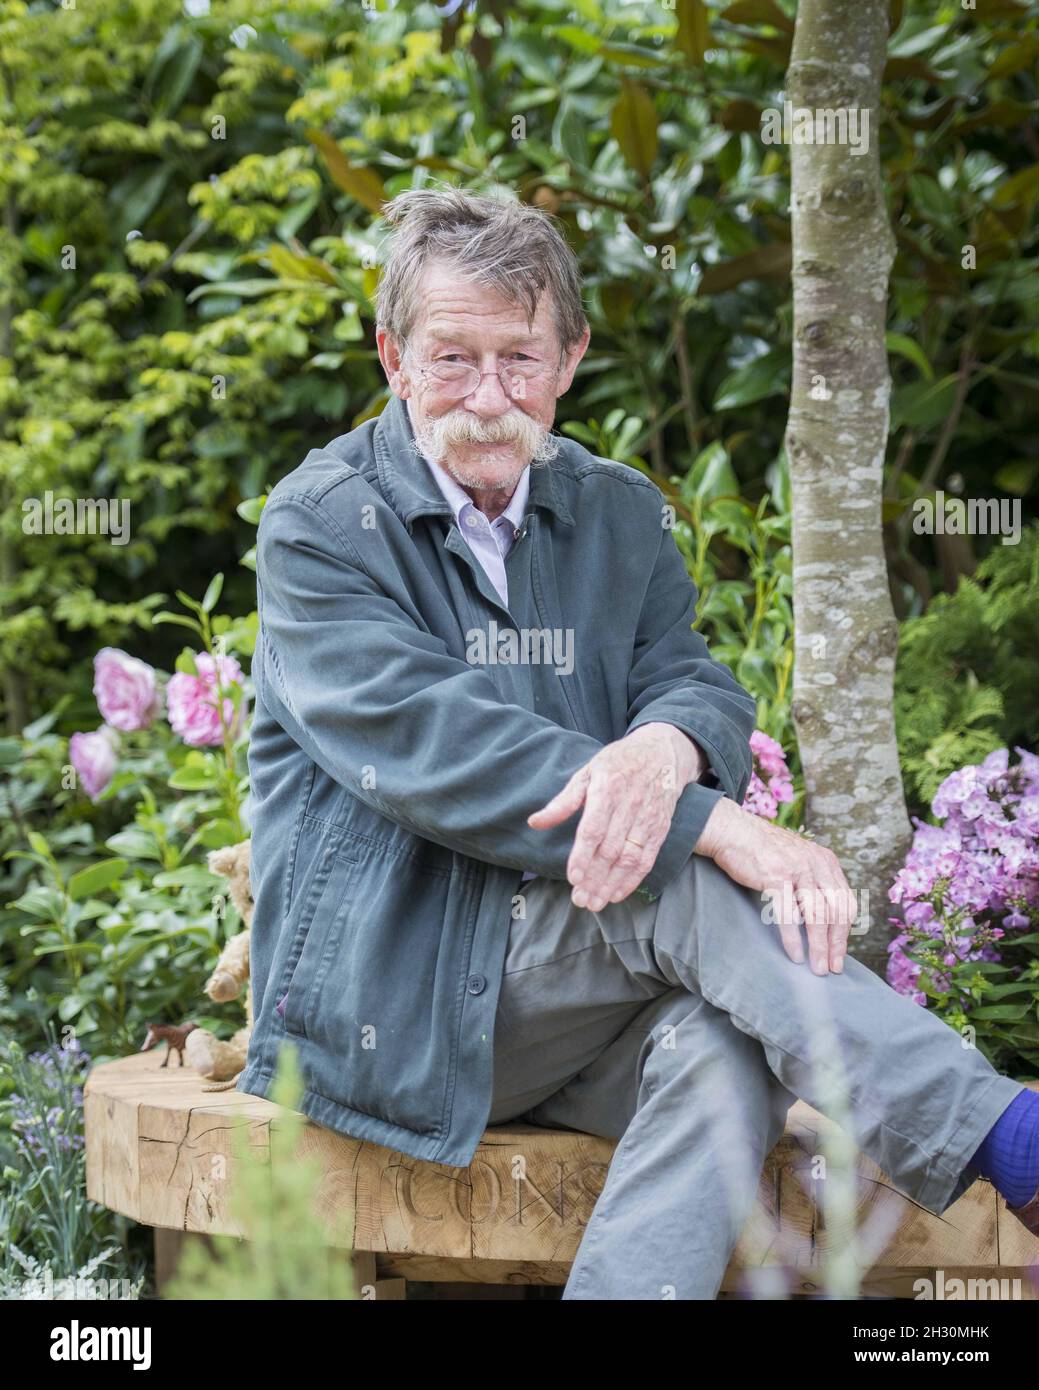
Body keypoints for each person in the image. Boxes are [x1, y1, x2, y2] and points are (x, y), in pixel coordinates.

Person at [237, 185, 1039, 1299]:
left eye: (517, 358)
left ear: (569, 359)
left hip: (566, 1010)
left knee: (722, 1050)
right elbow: (435, 741)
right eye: (449, 357)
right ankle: (1022, 1151)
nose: (483, 396)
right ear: (392, 359)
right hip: (395, 1002)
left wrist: (664, 751)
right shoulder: (319, 525)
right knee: (684, 881)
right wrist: (713, 819)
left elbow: (692, 679)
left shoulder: (615, 511)